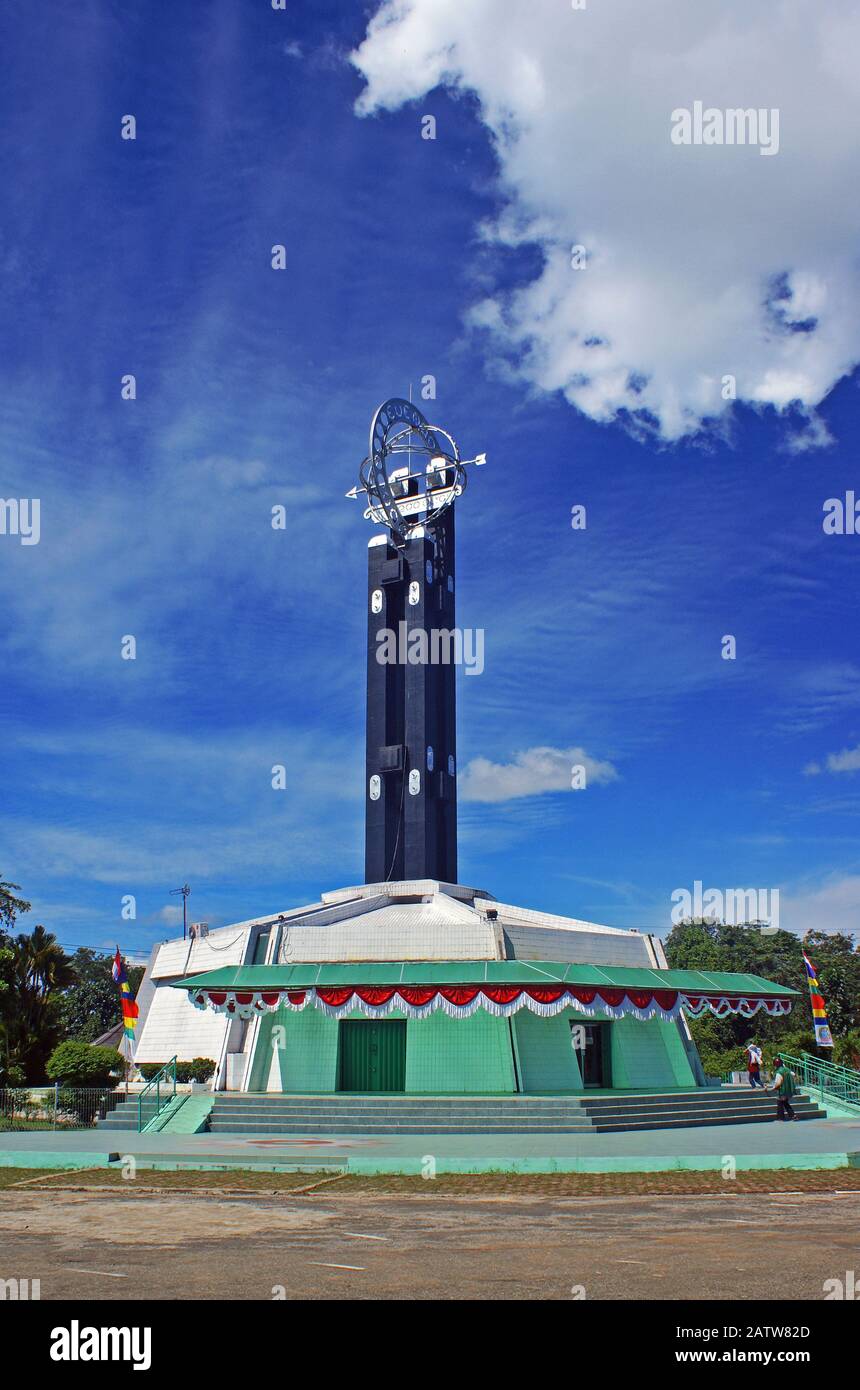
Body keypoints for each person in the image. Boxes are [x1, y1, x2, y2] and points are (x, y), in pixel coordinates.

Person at [767, 1053, 798, 1120]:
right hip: (789, 1090)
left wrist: (772, 1089)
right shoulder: (787, 1070)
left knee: (780, 1103)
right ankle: (792, 1115)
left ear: (775, 1065)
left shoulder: (779, 1072)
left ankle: (781, 1118)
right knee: (784, 1102)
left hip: (782, 1091)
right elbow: (794, 1075)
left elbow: (778, 1083)